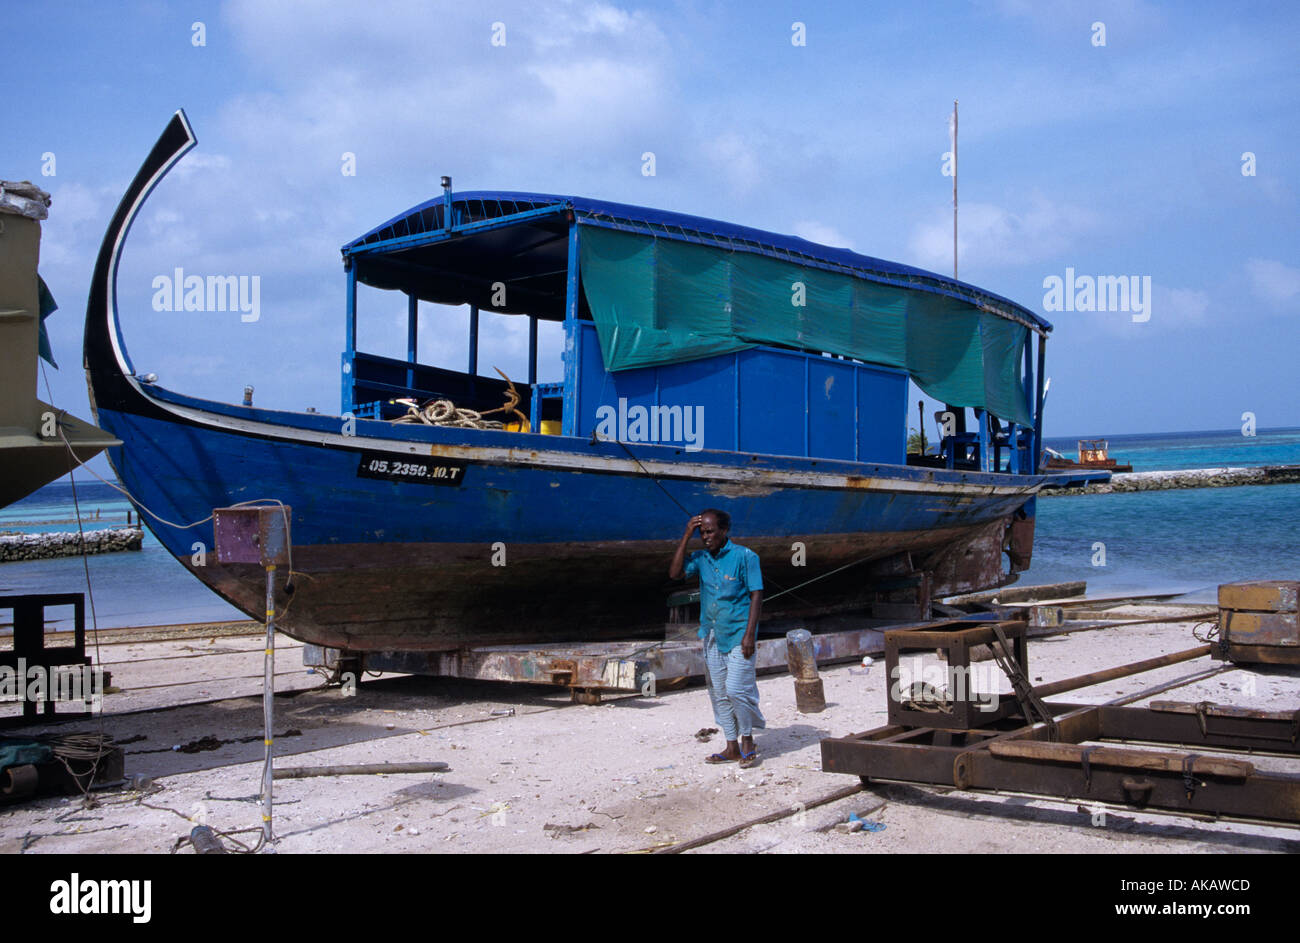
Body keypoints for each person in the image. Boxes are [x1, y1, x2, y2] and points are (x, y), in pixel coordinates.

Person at [669, 508, 765, 768]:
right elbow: (674, 573)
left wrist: (749, 635)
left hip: (738, 634)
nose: (706, 537)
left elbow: (756, 595)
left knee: (736, 689)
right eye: (702, 532)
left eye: (710, 532)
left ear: (724, 531)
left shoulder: (745, 556)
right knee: (719, 692)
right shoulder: (701, 558)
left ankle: (748, 741)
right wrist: (686, 534)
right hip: (711, 634)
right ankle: (731, 746)